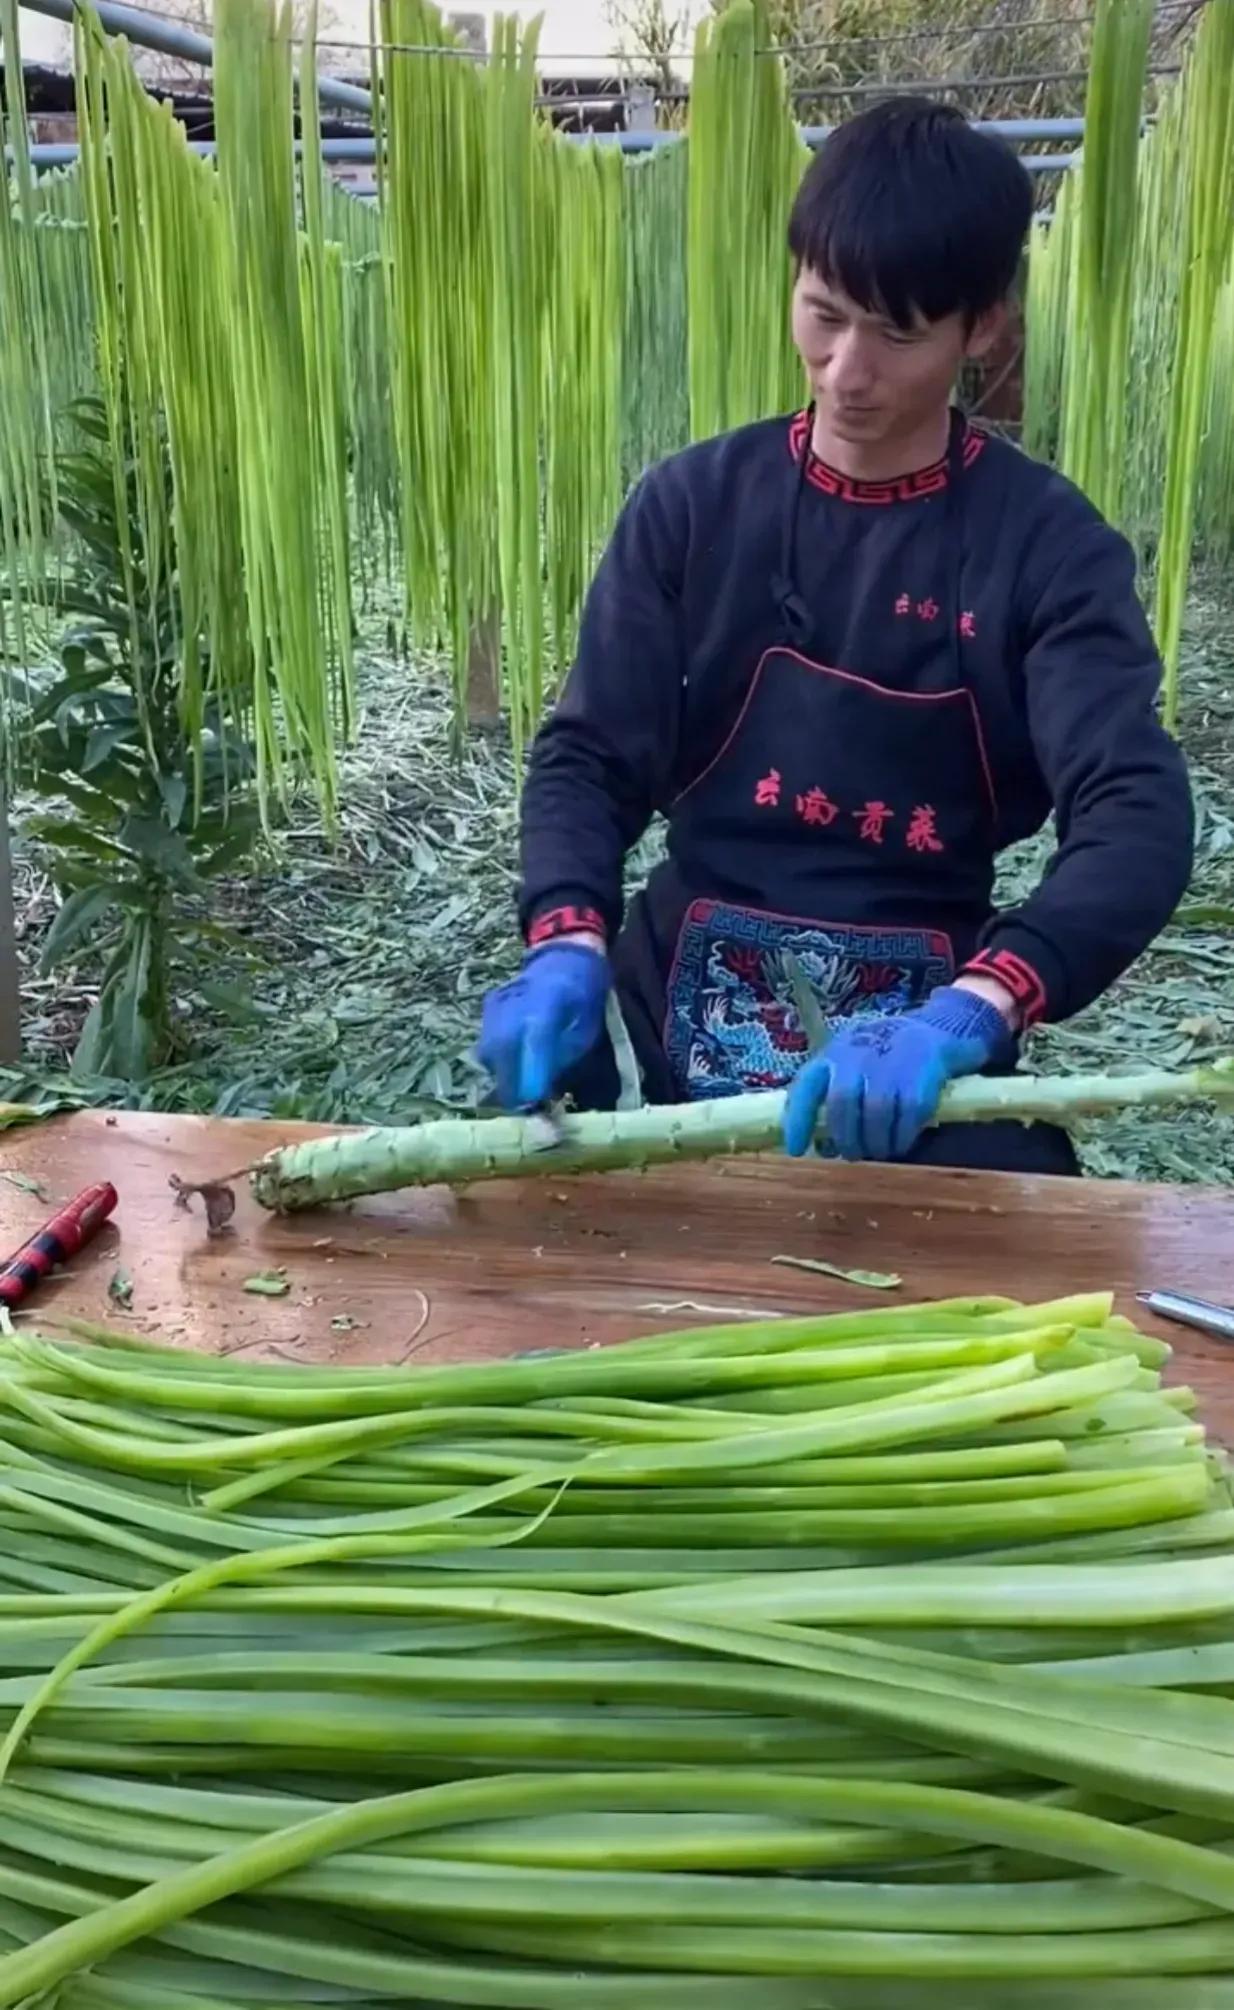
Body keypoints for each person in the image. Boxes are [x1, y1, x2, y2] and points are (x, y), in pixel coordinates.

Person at [478, 97, 1193, 1172]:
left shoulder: (1044, 547)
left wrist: (977, 1009)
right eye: (823, 314)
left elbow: (1134, 811)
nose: (845, 372)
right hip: (672, 1008)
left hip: (919, 1038)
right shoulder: (692, 506)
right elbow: (590, 753)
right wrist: (565, 935)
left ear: (982, 327)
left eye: (896, 334)